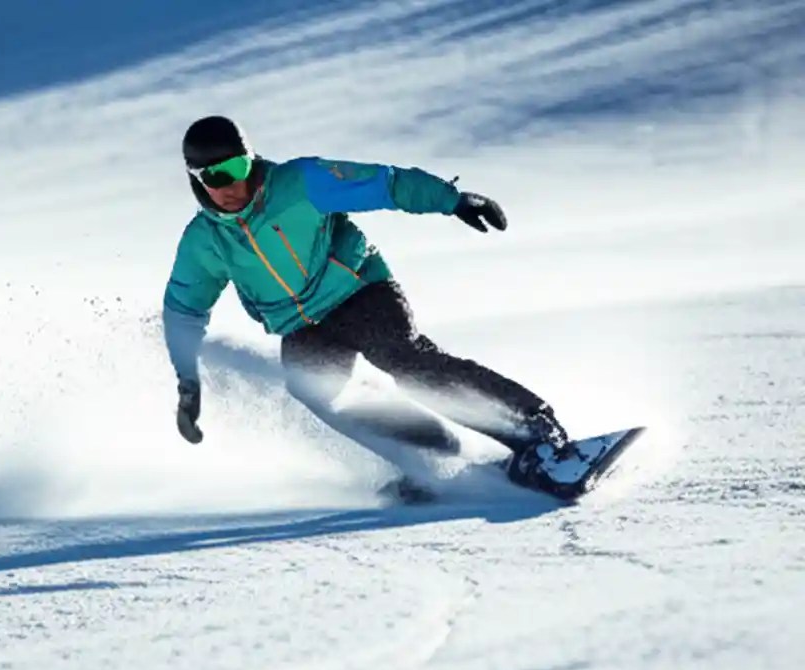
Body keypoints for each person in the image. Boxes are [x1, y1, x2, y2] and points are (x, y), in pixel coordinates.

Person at [161, 115, 572, 487]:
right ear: (197, 179)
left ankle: (534, 429)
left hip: (359, 290)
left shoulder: (300, 183)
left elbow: (383, 184)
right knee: (316, 392)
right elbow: (184, 311)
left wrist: (453, 200)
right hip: (302, 326)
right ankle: (430, 457)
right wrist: (187, 382)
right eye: (215, 177)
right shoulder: (204, 243)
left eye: (238, 169)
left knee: (404, 360)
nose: (231, 185)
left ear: (250, 160)